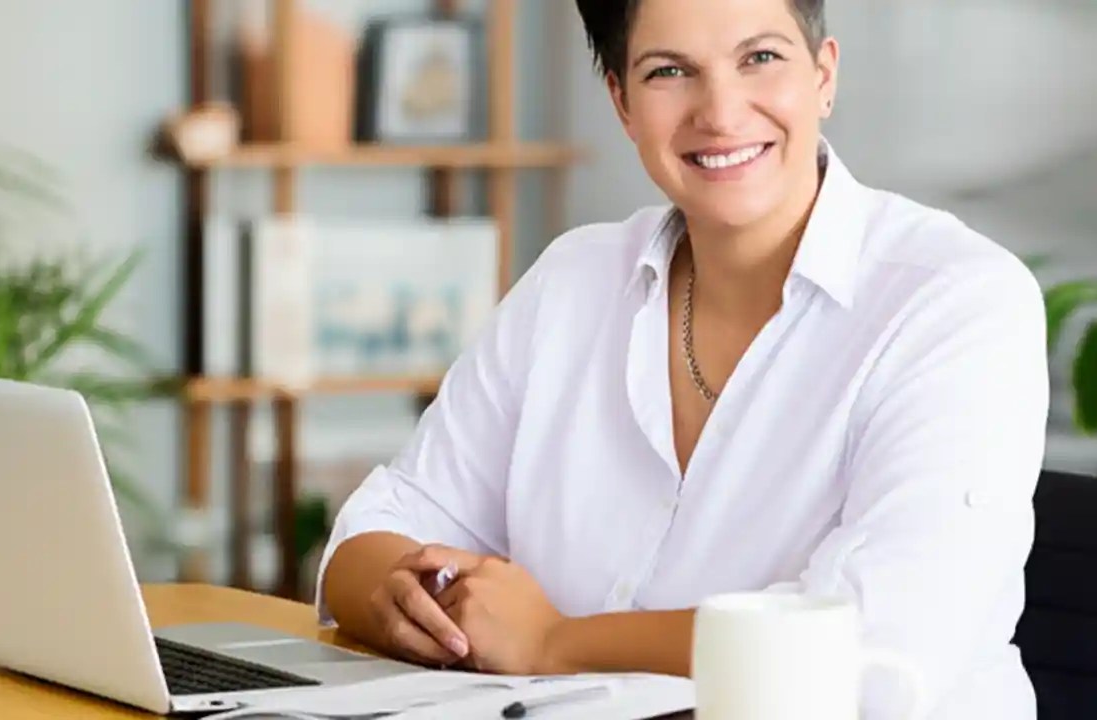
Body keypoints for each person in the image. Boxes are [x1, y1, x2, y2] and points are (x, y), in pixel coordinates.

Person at [318, 0, 1048, 717]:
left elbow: (871, 647)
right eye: (669, 71)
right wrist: (409, 596)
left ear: (824, 74)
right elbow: (375, 533)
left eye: (760, 58)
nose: (722, 113)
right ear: (623, 104)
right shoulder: (572, 282)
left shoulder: (957, 301)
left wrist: (555, 642)